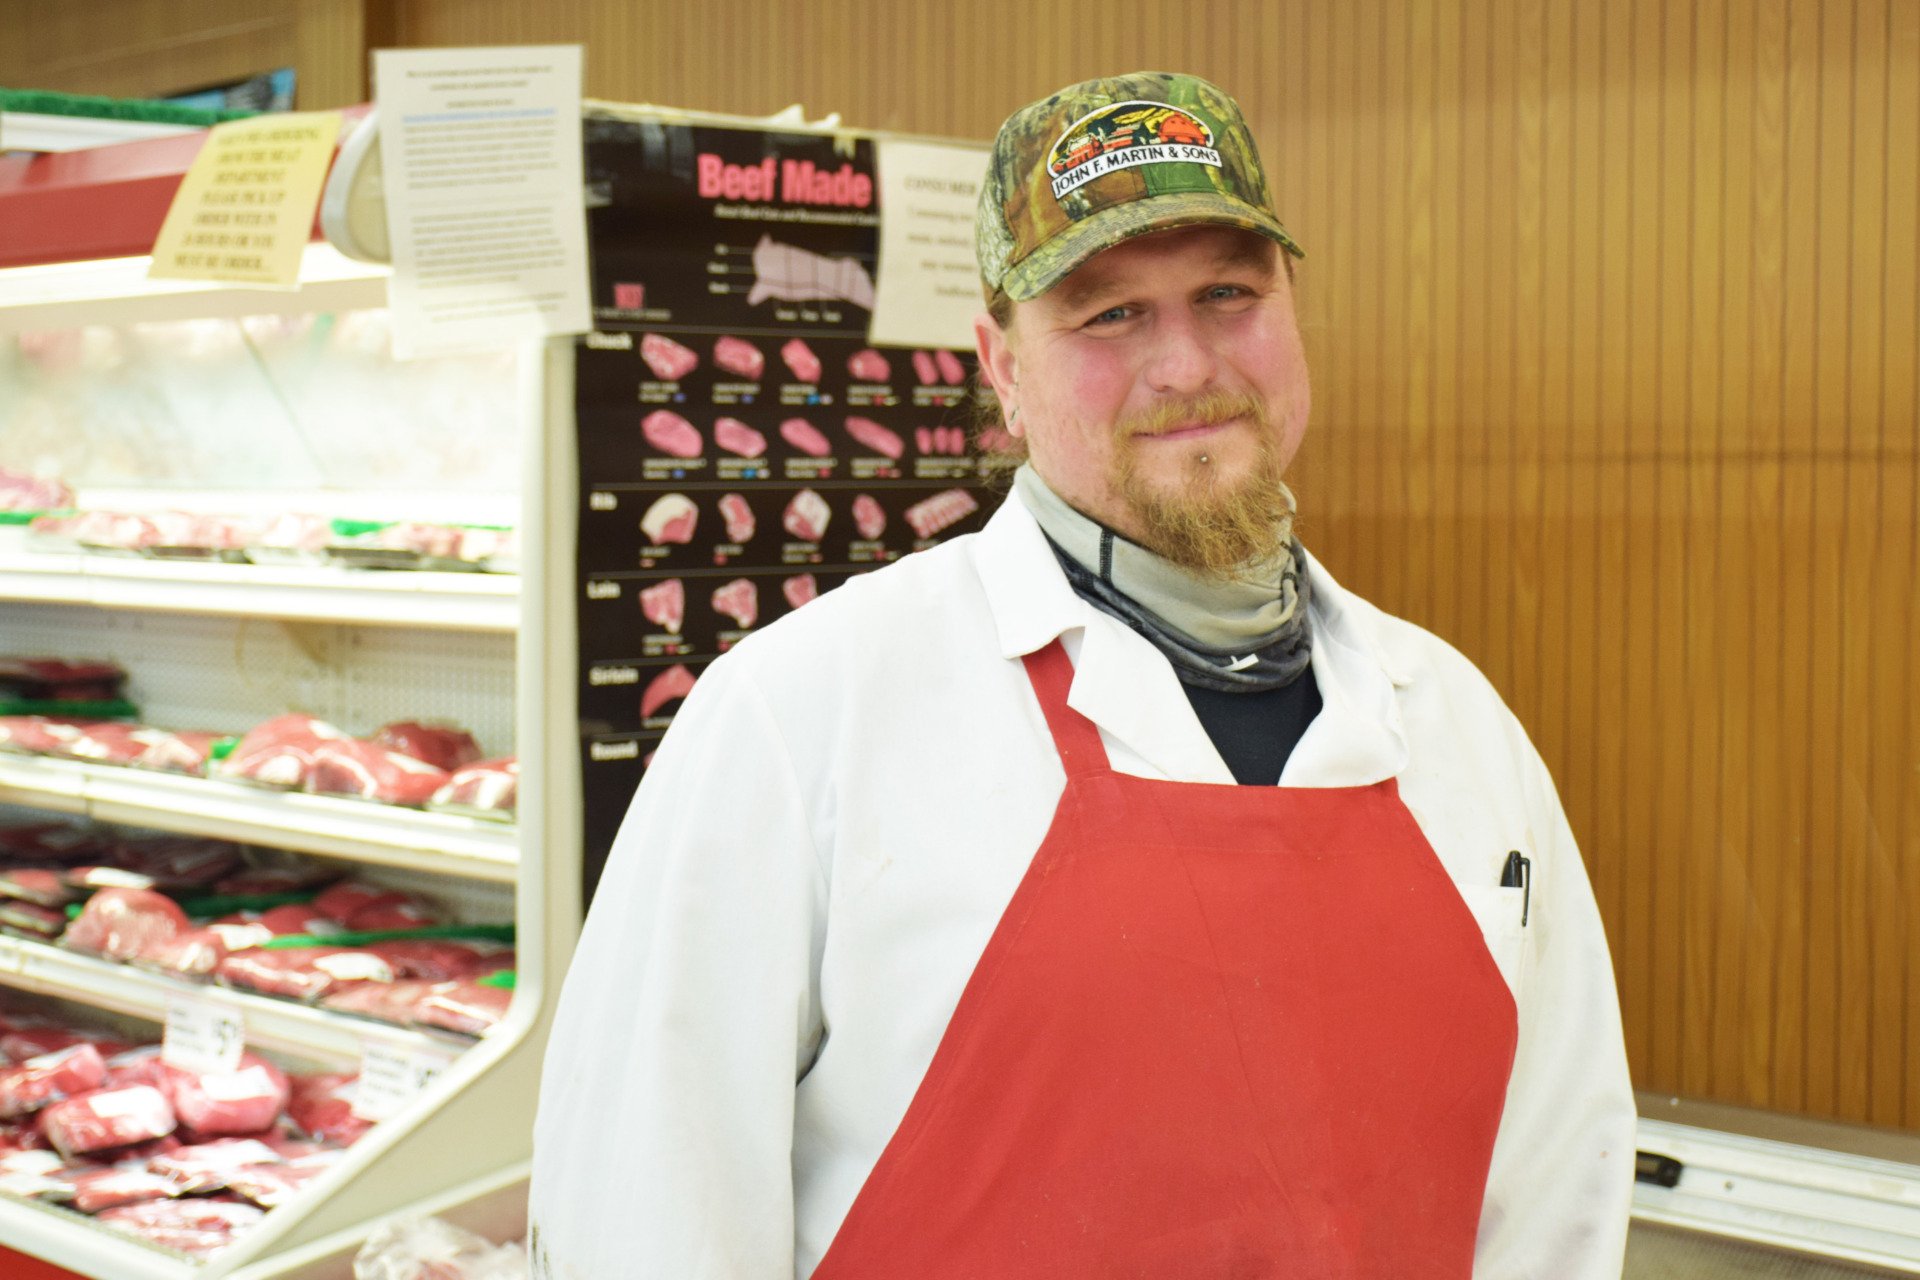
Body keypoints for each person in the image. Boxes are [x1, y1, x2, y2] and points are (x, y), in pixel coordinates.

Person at [531, 71, 1635, 1279]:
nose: (1185, 364)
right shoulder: (802, 718)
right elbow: (640, 1218)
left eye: (1228, 293)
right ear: (1001, 366)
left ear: (1292, 308)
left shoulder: (1460, 729)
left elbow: (1556, 1190)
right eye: (1109, 313)